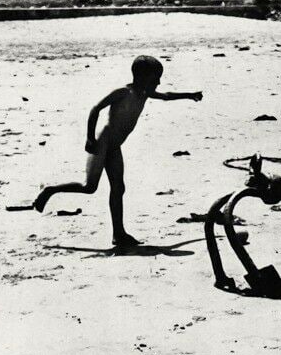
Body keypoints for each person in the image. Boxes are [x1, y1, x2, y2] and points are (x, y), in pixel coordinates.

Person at [32, 55, 202, 247]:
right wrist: (90, 137)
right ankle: (50, 190)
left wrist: (190, 95)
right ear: (142, 77)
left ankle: (118, 234)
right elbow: (96, 109)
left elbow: (167, 96)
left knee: (119, 188)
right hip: (102, 142)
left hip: (114, 147)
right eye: (155, 78)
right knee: (89, 187)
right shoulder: (124, 92)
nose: (158, 83)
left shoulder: (145, 93)